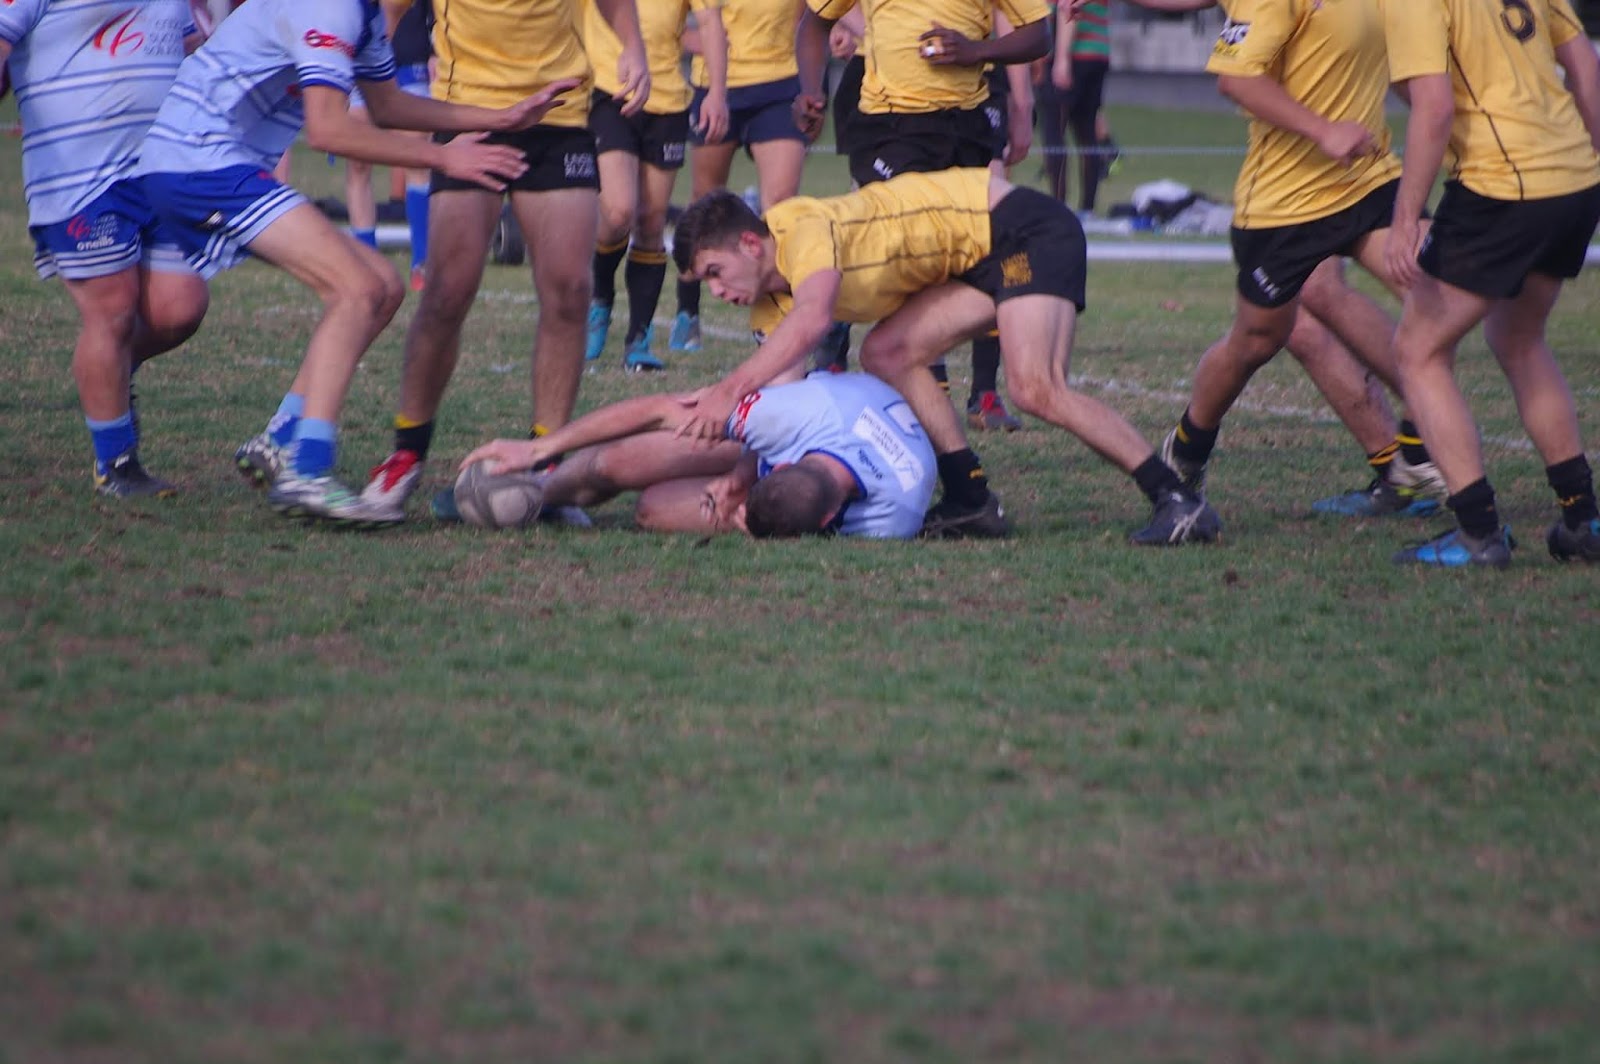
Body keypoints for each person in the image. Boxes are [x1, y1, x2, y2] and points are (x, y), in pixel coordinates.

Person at [136, 0, 578, 524]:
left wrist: (500, 118)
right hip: (199, 161)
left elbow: (388, 107)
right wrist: (443, 155)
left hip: (212, 163)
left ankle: (282, 436)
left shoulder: (362, 14)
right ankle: (308, 469)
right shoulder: (334, 4)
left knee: (383, 286)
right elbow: (328, 131)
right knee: (357, 290)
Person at [670, 173, 1222, 544]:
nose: (715, 292)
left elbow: (815, 320)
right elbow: (781, 406)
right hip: (973, 259)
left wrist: (723, 394)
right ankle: (970, 496)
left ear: (749, 244)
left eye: (713, 273)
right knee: (886, 351)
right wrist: (745, 475)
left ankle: (1176, 498)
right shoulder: (769, 304)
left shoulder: (801, 226)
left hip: (1020, 231)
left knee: (1035, 388)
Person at [1115, 0, 1446, 521]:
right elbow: (1236, 79)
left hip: (1369, 177)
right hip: (1285, 205)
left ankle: (1417, 453)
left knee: (1439, 295)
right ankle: (1187, 447)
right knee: (1257, 340)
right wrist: (1323, 129)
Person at [358, 0, 648, 523]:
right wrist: (374, 82)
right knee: (448, 290)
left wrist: (634, 47)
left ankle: (545, 466)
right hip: (467, 114)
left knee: (570, 292)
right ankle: (407, 454)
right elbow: (386, 13)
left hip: (558, 113)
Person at [1385, 0, 1600, 567]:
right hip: (1575, 175)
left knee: (1418, 350)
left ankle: (1478, 534)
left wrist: (1405, 220)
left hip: (1503, 185)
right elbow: (1585, 69)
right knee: (1519, 339)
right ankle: (1583, 519)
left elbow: (1432, 109)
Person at [796, 0, 1048, 445]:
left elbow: (1033, 32)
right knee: (890, 249)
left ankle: (982, 391)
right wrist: (809, 88)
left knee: (981, 250)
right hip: (889, 121)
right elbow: (815, 21)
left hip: (969, 115)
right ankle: (835, 356)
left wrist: (983, 59)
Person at [1, 0, 211, 498]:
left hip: (160, 167)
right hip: (78, 175)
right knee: (113, 310)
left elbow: (185, 48)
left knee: (180, 309)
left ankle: (108, 375)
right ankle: (115, 464)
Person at [461, 371, 937, 538]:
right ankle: (539, 492)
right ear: (785, 460)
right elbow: (663, 410)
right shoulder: (793, 416)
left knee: (652, 510)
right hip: (811, 422)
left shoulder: (893, 518)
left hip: (820, 457)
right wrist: (540, 447)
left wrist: (755, 526)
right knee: (616, 463)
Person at [585, 0, 729, 371]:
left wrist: (716, 92)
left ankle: (638, 340)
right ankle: (599, 296)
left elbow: (710, 21)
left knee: (651, 221)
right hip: (608, 88)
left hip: (667, 100)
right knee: (618, 211)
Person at [668, 0, 809, 354]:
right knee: (704, 202)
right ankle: (688, 312)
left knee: (781, 206)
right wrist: (696, 42)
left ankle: (782, 316)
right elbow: (658, 20)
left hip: (780, 83)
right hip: (719, 85)